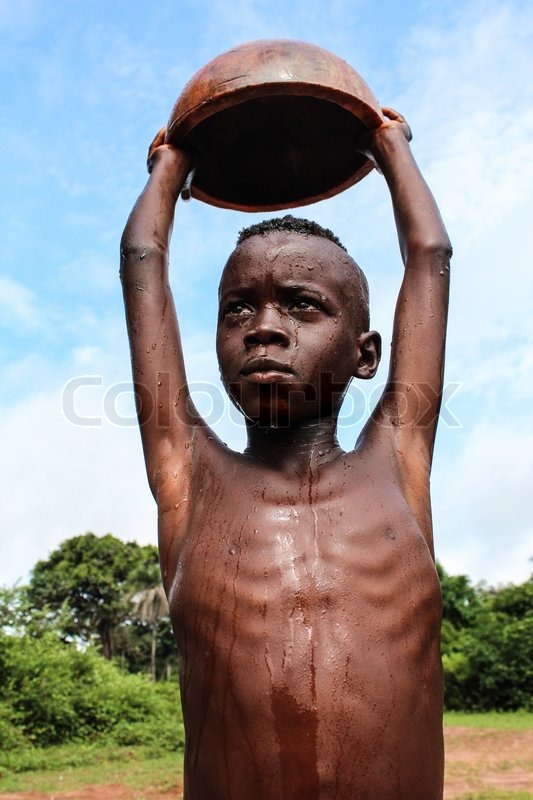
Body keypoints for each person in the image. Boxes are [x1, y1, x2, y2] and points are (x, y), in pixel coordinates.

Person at [120, 106, 452, 800]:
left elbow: (429, 258)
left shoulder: (398, 461)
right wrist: (170, 166)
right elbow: (143, 262)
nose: (263, 329)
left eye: (302, 305)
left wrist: (389, 145)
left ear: (365, 355)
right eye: (237, 309)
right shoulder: (190, 474)